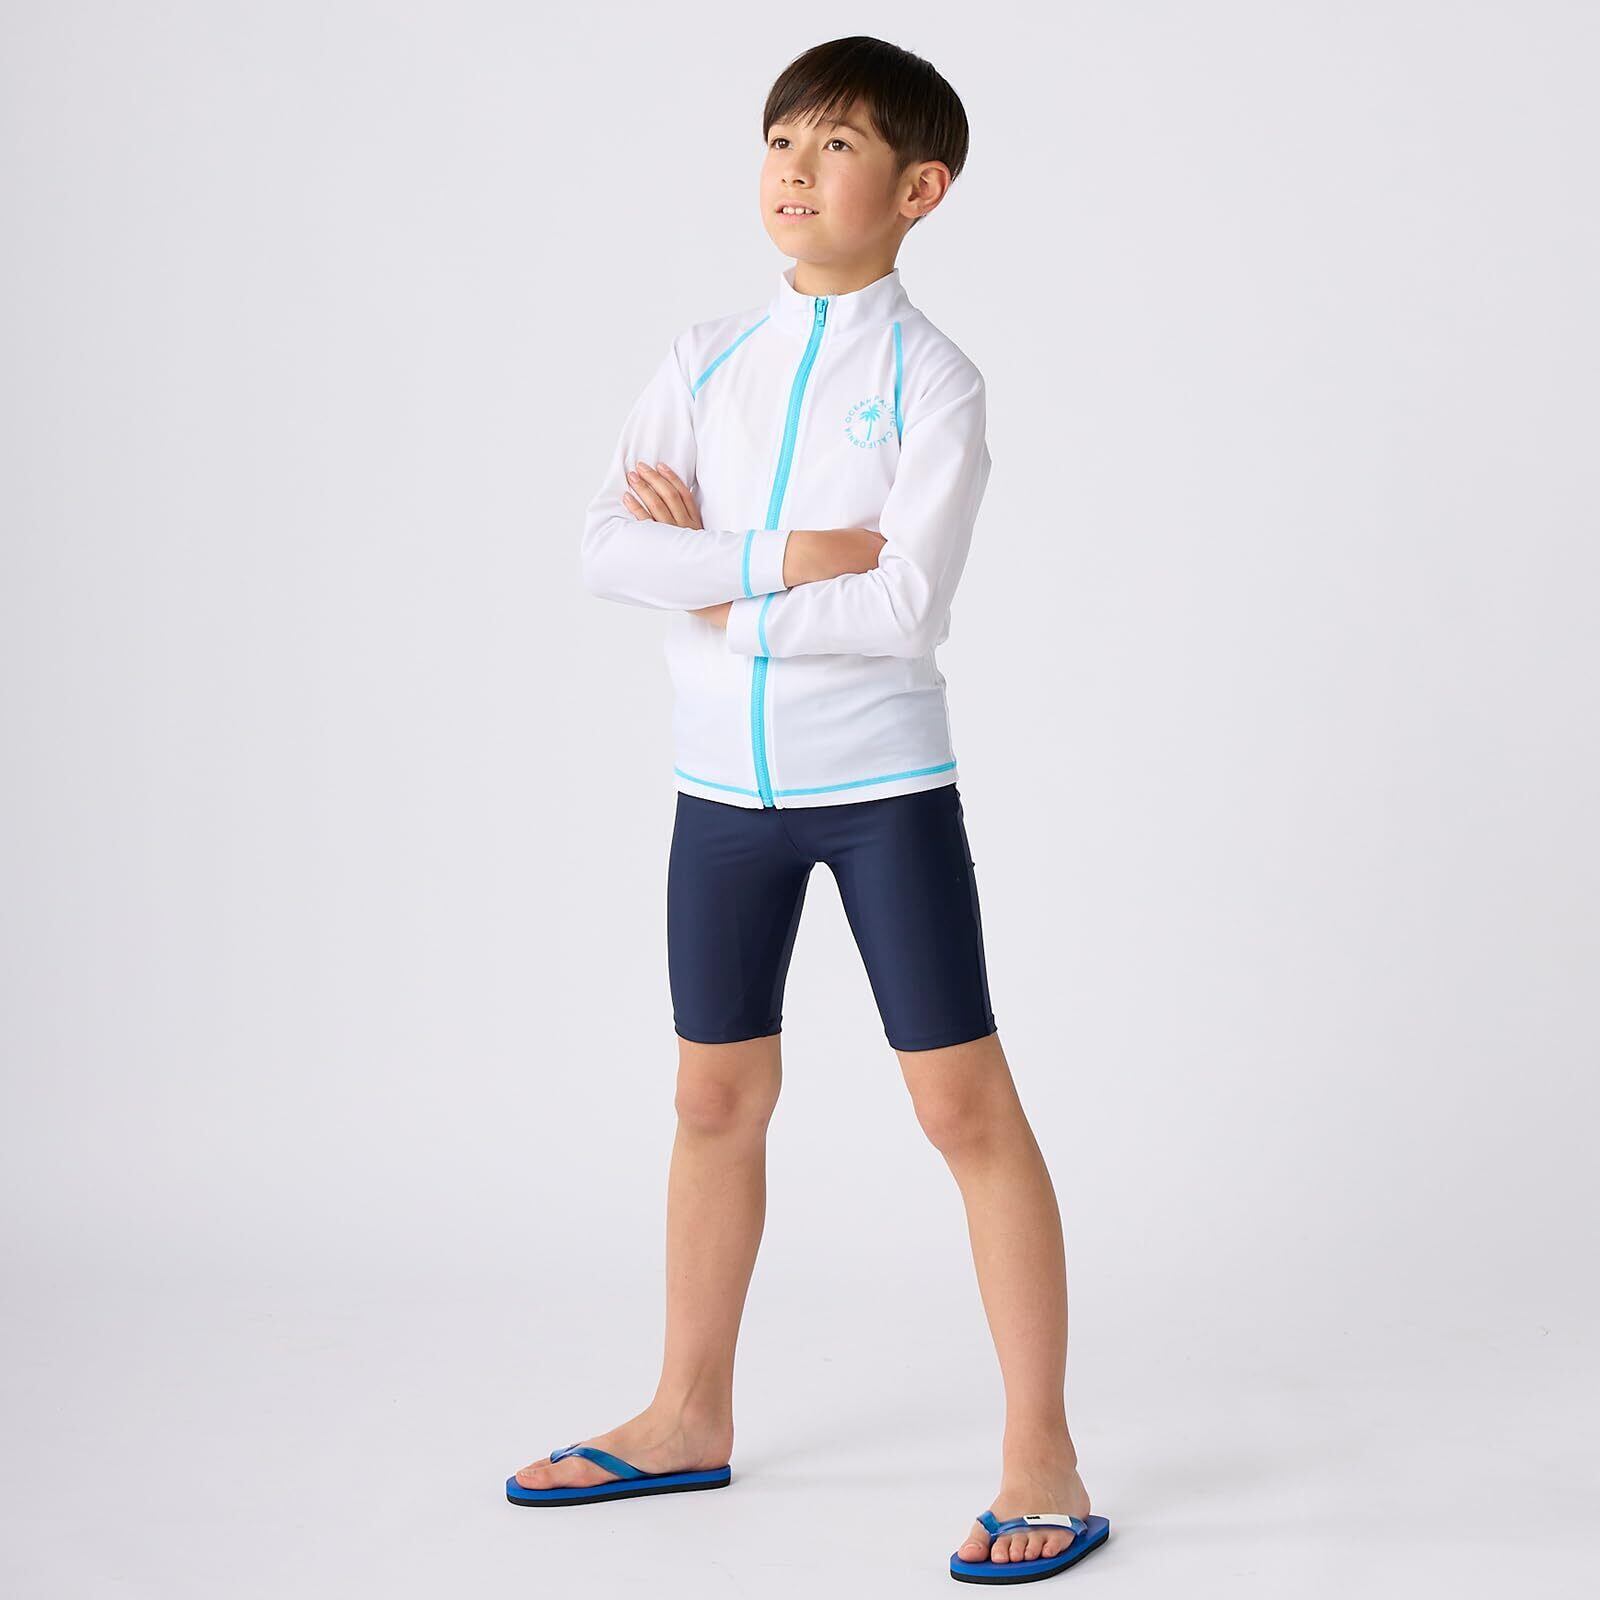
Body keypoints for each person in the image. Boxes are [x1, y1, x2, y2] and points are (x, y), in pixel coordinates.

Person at [508, 35, 1110, 1584]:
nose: (793, 167)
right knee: (712, 1101)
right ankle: (684, 1415)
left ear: (918, 188)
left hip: (880, 792)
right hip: (719, 796)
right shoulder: (705, 356)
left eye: (836, 145)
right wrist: (782, 561)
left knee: (961, 1109)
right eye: (781, 138)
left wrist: (714, 590)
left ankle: (1042, 1456)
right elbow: (605, 548)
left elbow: (906, 607)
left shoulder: (933, 380)